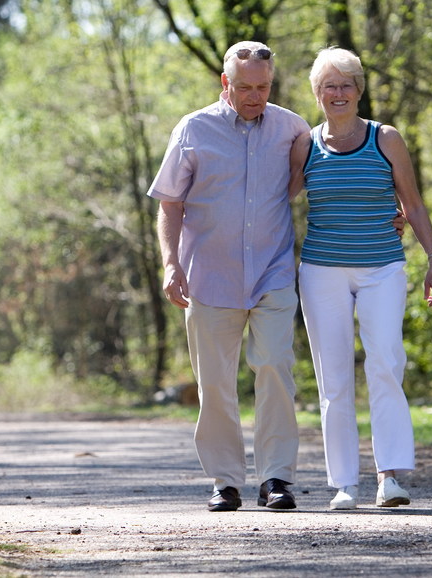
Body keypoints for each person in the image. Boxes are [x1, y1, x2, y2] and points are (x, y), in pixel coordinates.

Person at [147, 41, 309, 511]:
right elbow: (170, 203)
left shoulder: (291, 127)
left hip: (272, 272)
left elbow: (325, 176)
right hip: (209, 277)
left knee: (276, 368)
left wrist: (391, 213)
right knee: (215, 382)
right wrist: (171, 263)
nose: (255, 96)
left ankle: (276, 478)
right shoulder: (193, 129)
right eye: (245, 87)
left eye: (263, 86)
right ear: (225, 83)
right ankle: (225, 481)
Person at [289, 47, 432, 510]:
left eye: (346, 84)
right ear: (317, 94)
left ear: (359, 90)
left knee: (386, 363)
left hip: (382, 267)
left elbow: (413, 204)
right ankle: (343, 484)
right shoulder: (305, 144)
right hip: (321, 272)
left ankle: (390, 476)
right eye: (329, 86)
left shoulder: (386, 139)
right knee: (333, 378)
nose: (338, 93)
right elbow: (276, 199)